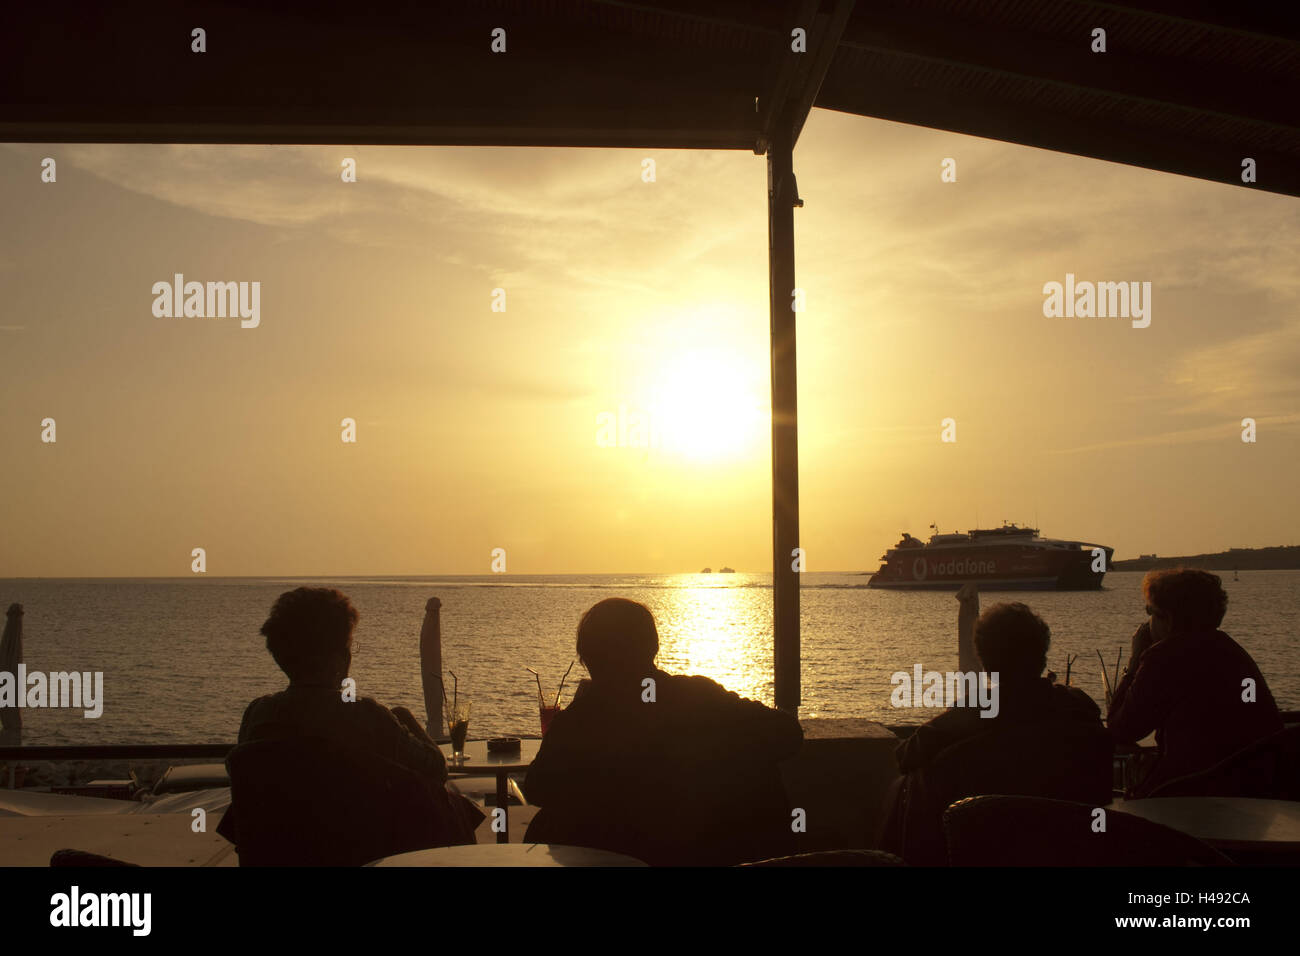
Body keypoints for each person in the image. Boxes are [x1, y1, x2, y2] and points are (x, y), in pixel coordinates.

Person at [524, 598, 803, 866]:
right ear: (653, 647)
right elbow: (787, 734)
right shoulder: (700, 696)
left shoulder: (577, 722)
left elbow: (537, 789)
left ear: (587, 658)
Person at [220, 587, 482, 851]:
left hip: (279, 852)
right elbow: (436, 769)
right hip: (360, 853)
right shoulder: (367, 717)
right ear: (340, 657)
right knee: (447, 805)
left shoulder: (258, 715)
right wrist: (406, 717)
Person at [882, 602, 1112, 864]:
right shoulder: (1079, 707)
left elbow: (907, 755)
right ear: (1042, 656)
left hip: (985, 849)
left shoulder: (975, 712)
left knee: (910, 783)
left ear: (986, 663)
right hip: (1071, 849)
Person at [1108, 568, 1282, 797]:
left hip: (1193, 793)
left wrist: (1135, 659)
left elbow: (1120, 729)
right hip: (1257, 790)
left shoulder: (1165, 657)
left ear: (1168, 619)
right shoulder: (1231, 651)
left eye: (1150, 611)